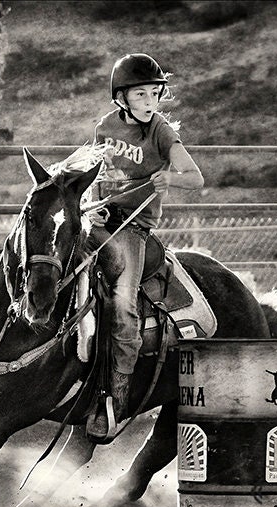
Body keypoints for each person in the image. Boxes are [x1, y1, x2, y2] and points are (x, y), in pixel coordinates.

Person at [85, 53, 204, 439]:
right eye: (141, 93)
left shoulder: (161, 132)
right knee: (54, 265)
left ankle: (116, 396)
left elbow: (195, 178)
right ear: (122, 97)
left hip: (135, 229)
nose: (150, 100)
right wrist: (91, 208)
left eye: (155, 92)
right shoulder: (105, 127)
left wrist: (171, 181)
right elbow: (94, 175)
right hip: (102, 220)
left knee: (123, 304)